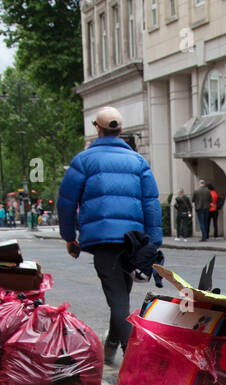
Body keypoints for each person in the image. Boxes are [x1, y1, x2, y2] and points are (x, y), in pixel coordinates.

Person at [58, 105, 162, 367]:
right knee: (121, 294)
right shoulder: (138, 162)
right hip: (134, 242)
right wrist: (153, 243)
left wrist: (70, 237)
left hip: (103, 241)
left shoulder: (84, 160)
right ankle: (110, 349)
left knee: (118, 299)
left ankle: (133, 360)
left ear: (97, 127)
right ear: (121, 130)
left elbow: (66, 201)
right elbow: (151, 203)